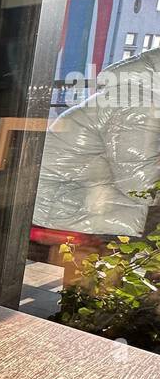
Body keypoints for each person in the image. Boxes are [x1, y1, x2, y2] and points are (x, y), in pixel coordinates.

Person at [34, 44, 160, 238]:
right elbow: (141, 187)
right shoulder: (137, 103)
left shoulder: (139, 94)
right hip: (64, 205)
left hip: (87, 197)